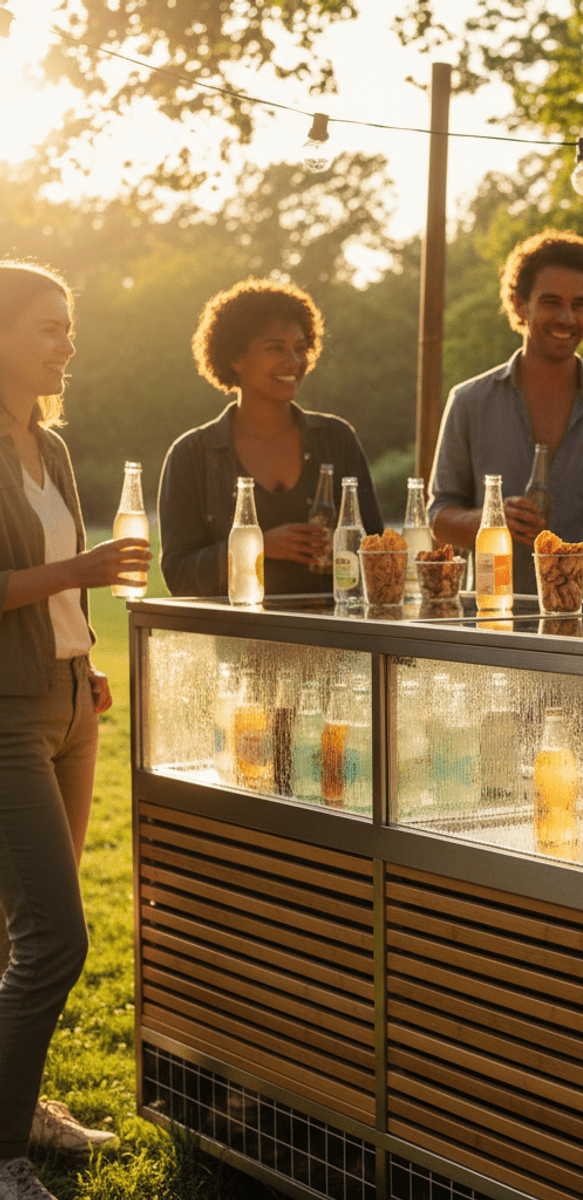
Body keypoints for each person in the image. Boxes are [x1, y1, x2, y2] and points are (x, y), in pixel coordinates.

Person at [0, 262, 151, 1197]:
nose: (68, 343)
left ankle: (20, 1108)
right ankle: (4, 1158)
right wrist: (80, 572)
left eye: (70, 326)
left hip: (67, 702)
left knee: (20, 932)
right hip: (4, 715)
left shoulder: (50, 451)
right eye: (49, 327)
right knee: (55, 939)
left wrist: (85, 652)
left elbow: (59, 574)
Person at [429, 230, 583, 599]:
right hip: (491, 626)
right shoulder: (468, 401)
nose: (566, 318)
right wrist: (491, 519)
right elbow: (438, 517)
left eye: (580, 304)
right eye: (551, 302)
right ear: (519, 304)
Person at [158, 278, 382, 598]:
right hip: (236, 641)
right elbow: (179, 576)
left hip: (331, 639)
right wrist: (258, 546)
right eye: (275, 348)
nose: (293, 362)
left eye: (301, 348)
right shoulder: (192, 455)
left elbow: (377, 553)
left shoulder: (337, 440)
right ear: (235, 357)